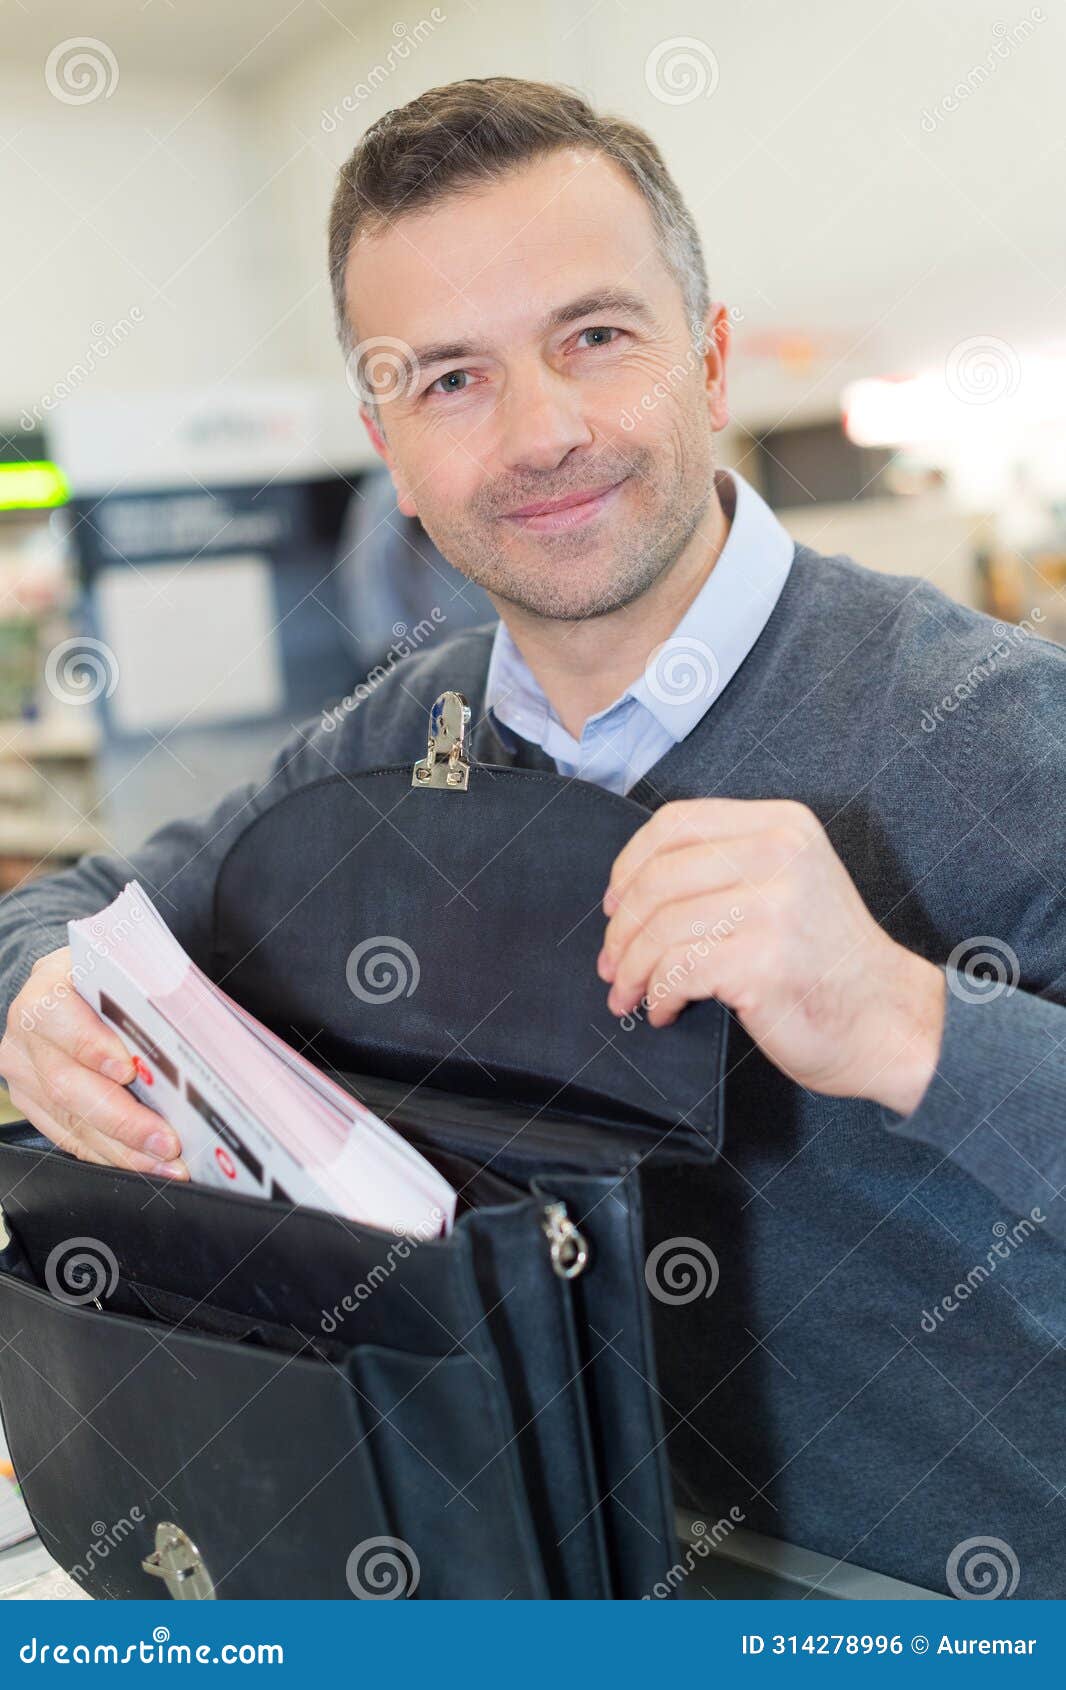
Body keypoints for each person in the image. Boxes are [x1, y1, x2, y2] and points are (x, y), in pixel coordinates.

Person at [2, 76, 1065, 1599]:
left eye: (594, 337)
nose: (541, 431)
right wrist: (40, 992)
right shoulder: (398, 738)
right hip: (531, 1575)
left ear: (704, 351)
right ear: (387, 441)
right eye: (449, 379)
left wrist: (911, 1020)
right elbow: (87, 905)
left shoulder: (995, 725)